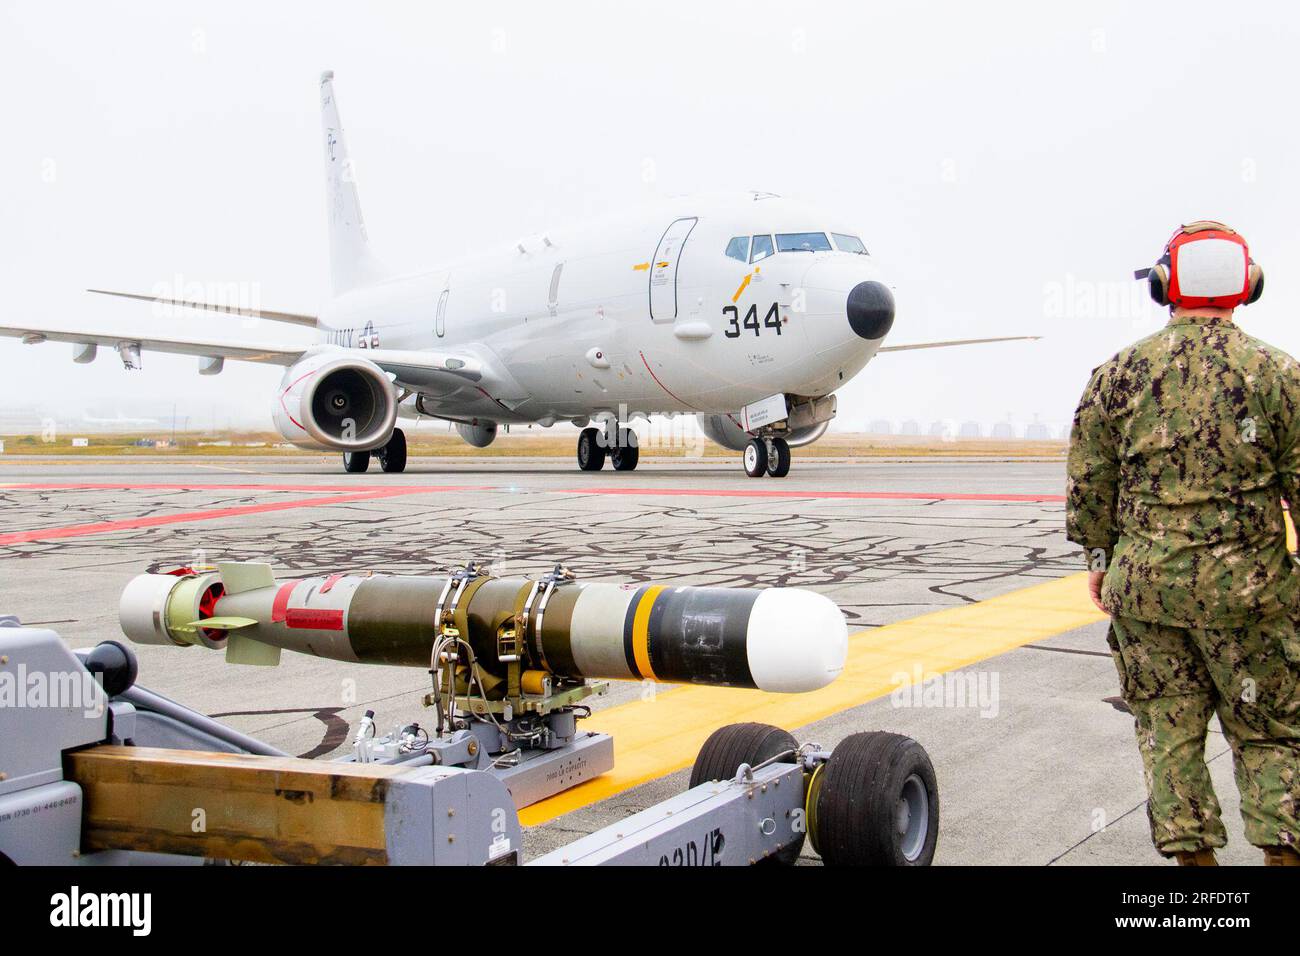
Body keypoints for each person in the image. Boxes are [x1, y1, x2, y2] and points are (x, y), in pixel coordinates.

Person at [1066, 221, 1299, 866]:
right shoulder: (1283, 376)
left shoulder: (1117, 375)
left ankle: (1197, 884)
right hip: (1255, 598)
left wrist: (1097, 560)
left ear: (1164, 286)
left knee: (1168, 729)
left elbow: (1090, 484)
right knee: (1271, 731)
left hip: (1146, 594)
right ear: (1248, 286)